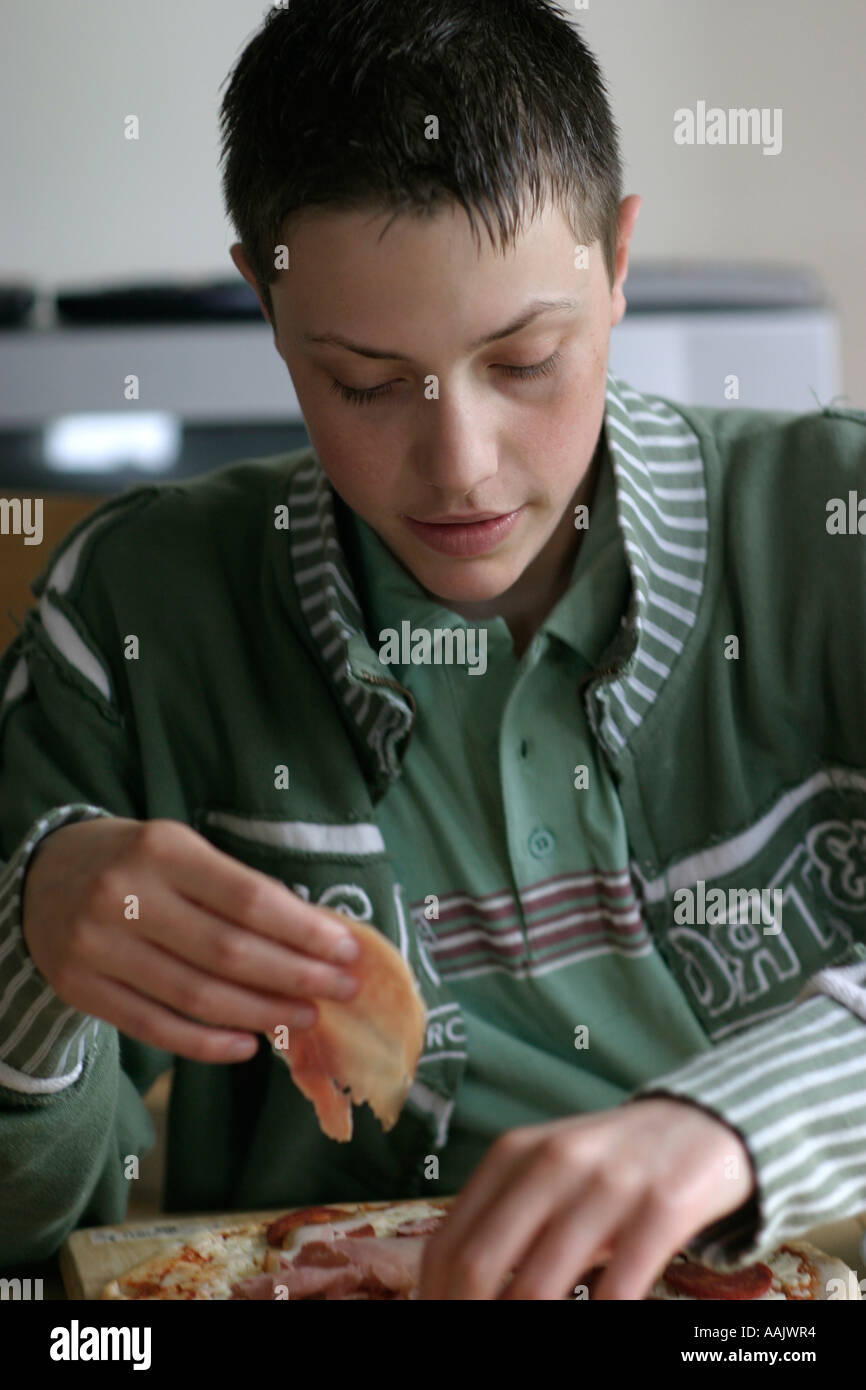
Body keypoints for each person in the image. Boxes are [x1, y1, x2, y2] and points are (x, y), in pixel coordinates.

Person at [1, 0, 865, 1301]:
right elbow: (39, 1234)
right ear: (264, 298)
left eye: (524, 359)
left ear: (616, 257)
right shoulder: (133, 612)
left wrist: (728, 1124)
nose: (460, 468)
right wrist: (24, 947)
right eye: (360, 380)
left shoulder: (830, 526)